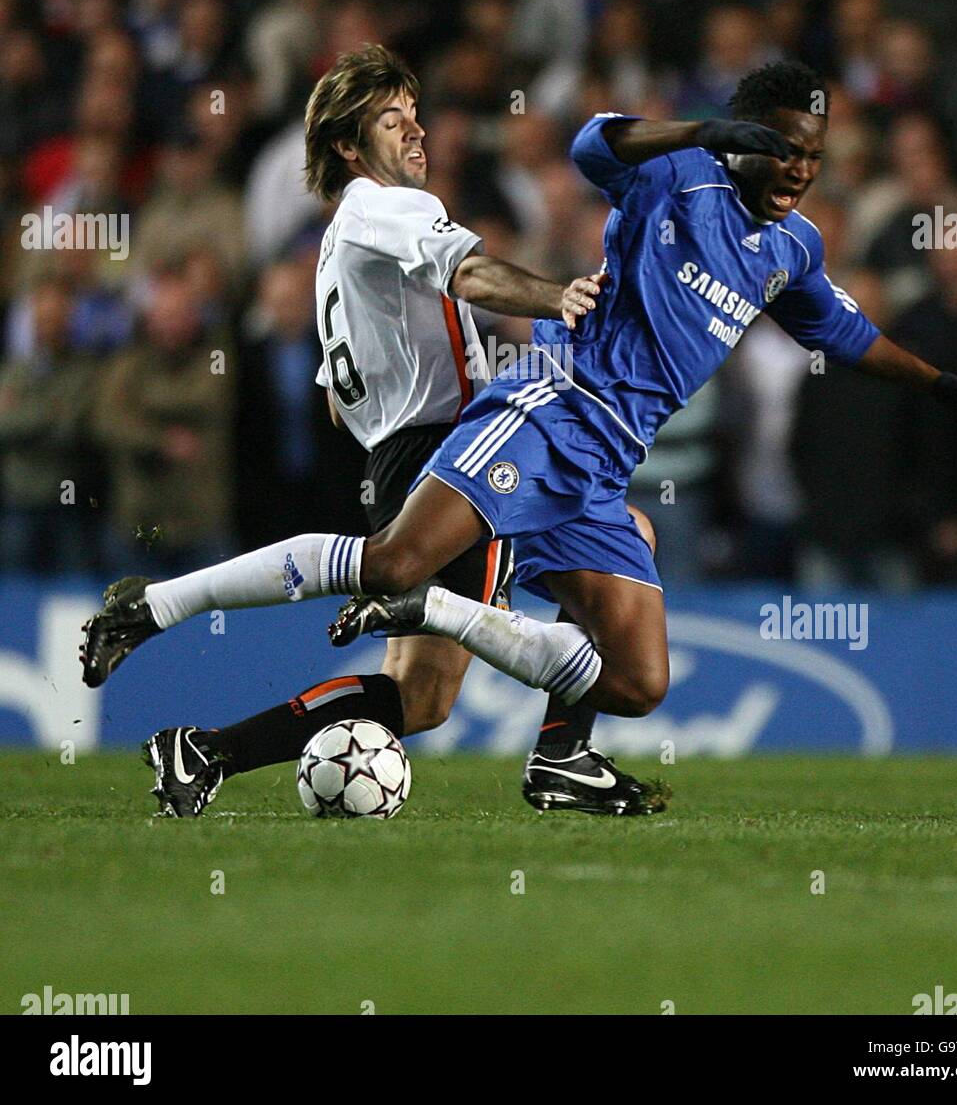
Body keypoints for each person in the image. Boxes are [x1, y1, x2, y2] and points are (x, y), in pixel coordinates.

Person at [83, 61, 957, 795]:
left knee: (627, 674)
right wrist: (694, 139)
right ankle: (166, 610)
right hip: (545, 408)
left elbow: (846, 329)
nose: (799, 170)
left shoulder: (792, 247)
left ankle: (534, 750)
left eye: (814, 160)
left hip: (597, 456)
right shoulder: (678, 179)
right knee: (397, 581)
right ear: (741, 139)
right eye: (782, 148)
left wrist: (948, 384)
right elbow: (592, 146)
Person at [83, 44, 659, 817]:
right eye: (393, 121)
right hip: (459, 457)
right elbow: (472, 272)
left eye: (416, 116)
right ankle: (189, 674)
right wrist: (560, 298)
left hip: (406, 453)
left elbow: (333, 397)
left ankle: (204, 731)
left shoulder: (336, 244)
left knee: (616, 545)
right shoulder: (386, 205)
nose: (416, 132)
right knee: (421, 677)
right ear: (351, 148)